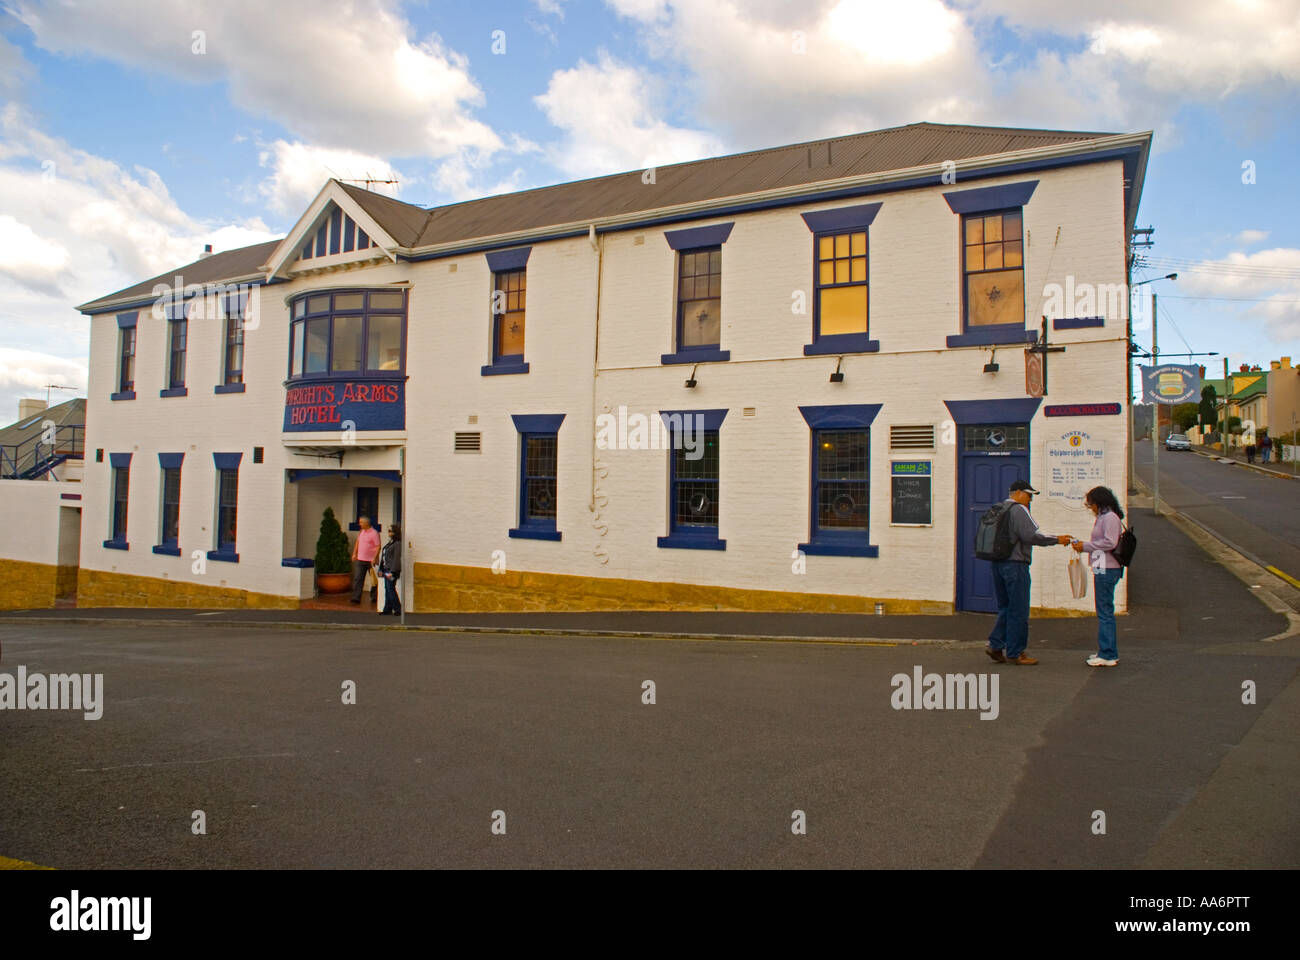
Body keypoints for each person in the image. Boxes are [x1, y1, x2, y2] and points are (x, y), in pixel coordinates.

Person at [986, 480, 1072, 666]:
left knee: (1006, 607)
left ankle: (996, 645)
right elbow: (1031, 535)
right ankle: (1016, 652)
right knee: (1019, 609)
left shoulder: (997, 508)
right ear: (1016, 492)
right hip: (1016, 565)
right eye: (1028, 494)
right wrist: (1058, 539)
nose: (1030, 499)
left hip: (997, 563)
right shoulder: (1019, 510)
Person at [1070, 486, 1125, 667]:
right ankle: (1106, 650)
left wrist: (1085, 546)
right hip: (1104, 566)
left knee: (1104, 612)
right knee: (1104, 609)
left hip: (1107, 567)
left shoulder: (1109, 517)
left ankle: (1108, 654)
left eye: (1091, 504)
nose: (1090, 508)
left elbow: (1110, 542)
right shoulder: (1106, 516)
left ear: (1099, 502)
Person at [350, 515, 381, 604]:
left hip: (371, 560)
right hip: (360, 559)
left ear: (366, 523)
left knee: (373, 580)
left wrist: (375, 558)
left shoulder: (374, 533)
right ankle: (356, 597)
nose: (360, 524)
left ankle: (374, 596)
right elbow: (358, 542)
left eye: (361, 522)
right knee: (358, 578)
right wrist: (354, 553)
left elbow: (378, 546)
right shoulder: (361, 531)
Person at [378, 523, 402, 616]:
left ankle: (397, 608)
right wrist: (381, 568)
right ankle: (387, 609)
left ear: (394, 533)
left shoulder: (397, 544)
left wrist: (393, 571)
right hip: (386, 569)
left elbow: (396, 558)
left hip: (391, 570)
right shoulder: (390, 543)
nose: (388, 533)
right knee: (387, 588)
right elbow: (384, 556)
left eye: (390, 531)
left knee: (390, 588)